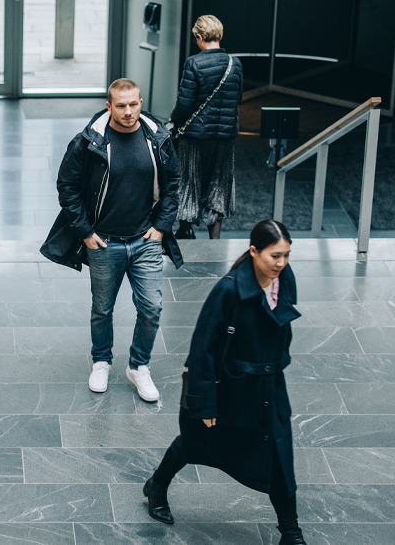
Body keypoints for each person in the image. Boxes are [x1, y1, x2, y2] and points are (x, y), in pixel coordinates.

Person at [144, 220, 307, 545]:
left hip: (268, 389)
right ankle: (157, 485)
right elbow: (202, 348)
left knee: (279, 458)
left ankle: (291, 532)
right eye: (275, 255)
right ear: (254, 251)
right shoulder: (229, 290)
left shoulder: (283, 279)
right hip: (231, 392)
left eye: (286, 255)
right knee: (195, 445)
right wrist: (205, 403)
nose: (281, 263)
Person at [40, 78, 183, 403]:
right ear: (109, 106)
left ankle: (139, 365)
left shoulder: (157, 138)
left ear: (140, 102)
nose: (129, 111)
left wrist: (161, 225)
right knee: (102, 309)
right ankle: (101, 361)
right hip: (104, 242)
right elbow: (67, 186)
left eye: (134, 104)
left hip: (146, 239)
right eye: (121, 105)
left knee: (152, 307)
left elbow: (173, 182)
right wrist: (86, 233)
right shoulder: (90, 141)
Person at [169, 15, 243, 240]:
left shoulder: (194, 63)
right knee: (219, 182)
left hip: (195, 136)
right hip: (225, 137)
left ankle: (185, 228)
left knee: (189, 180)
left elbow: (184, 103)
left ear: (200, 38)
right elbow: (237, 98)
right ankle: (215, 237)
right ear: (219, 35)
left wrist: (174, 120)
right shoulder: (235, 63)